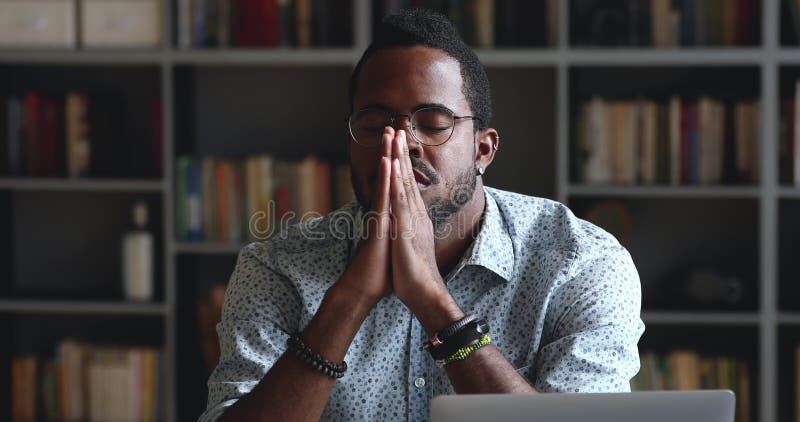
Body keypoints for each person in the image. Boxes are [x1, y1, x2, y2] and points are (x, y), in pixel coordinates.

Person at [199, 9, 644, 422]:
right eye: (374, 125)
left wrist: (433, 301)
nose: (401, 142)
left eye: (432, 123)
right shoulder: (275, 267)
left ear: (483, 149)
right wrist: (350, 299)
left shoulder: (583, 264)